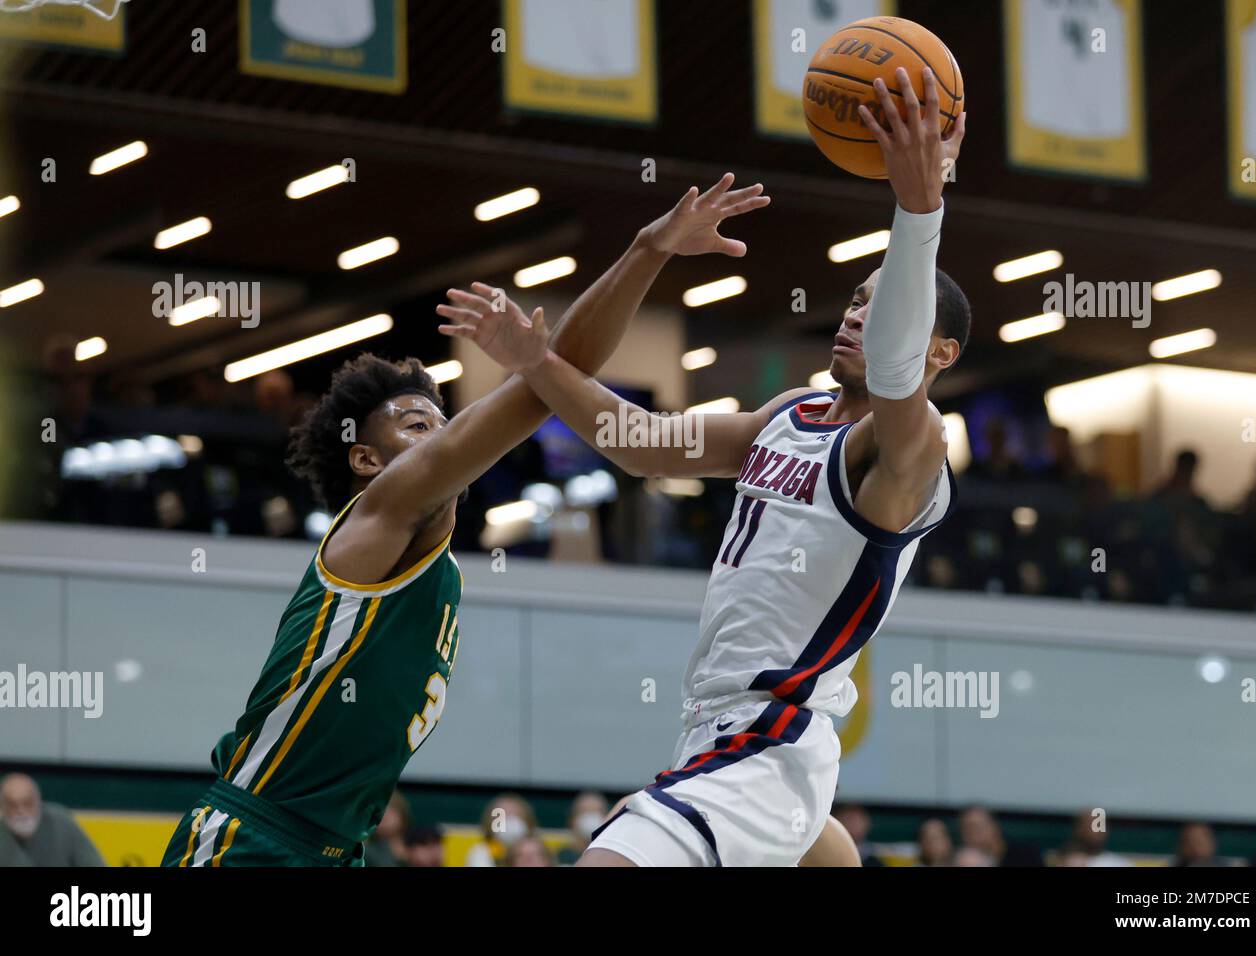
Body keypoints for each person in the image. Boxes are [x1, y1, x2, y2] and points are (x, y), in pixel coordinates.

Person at [158, 172, 770, 867]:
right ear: (365, 458)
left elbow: (552, 379)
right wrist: (646, 249)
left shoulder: (433, 561)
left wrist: (561, 347)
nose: (444, 434)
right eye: (418, 423)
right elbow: (553, 379)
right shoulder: (382, 510)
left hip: (332, 850)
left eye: (443, 420)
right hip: (252, 839)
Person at [443, 67, 968, 867]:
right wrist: (536, 362)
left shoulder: (910, 450)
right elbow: (642, 442)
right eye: (855, 300)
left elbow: (897, 373)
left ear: (940, 351)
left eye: (880, 303)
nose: (859, 314)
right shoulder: (789, 416)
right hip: (722, 734)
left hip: (768, 738)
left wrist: (917, 209)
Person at [0, 773, 105, 867]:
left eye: (28, 803)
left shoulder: (62, 824)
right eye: (12, 805)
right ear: (2, 807)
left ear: (38, 802)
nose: (21, 811)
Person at [464, 793, 539, 867]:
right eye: (501, 816)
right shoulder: (480, 853)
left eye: (515, 815)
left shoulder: (537, 852)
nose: (509, 822)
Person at [959, 805, 1042, 867]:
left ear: (995, 827)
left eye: (977, 827)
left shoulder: (1026, 855)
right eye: (966, 829)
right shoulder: (963, 860)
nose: (973, 834)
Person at [556, 791, 609, 865]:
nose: (591, 817)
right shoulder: (562, 857)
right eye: (584, 811)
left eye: (597, 812)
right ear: (572, 820)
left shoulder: (613, 857)